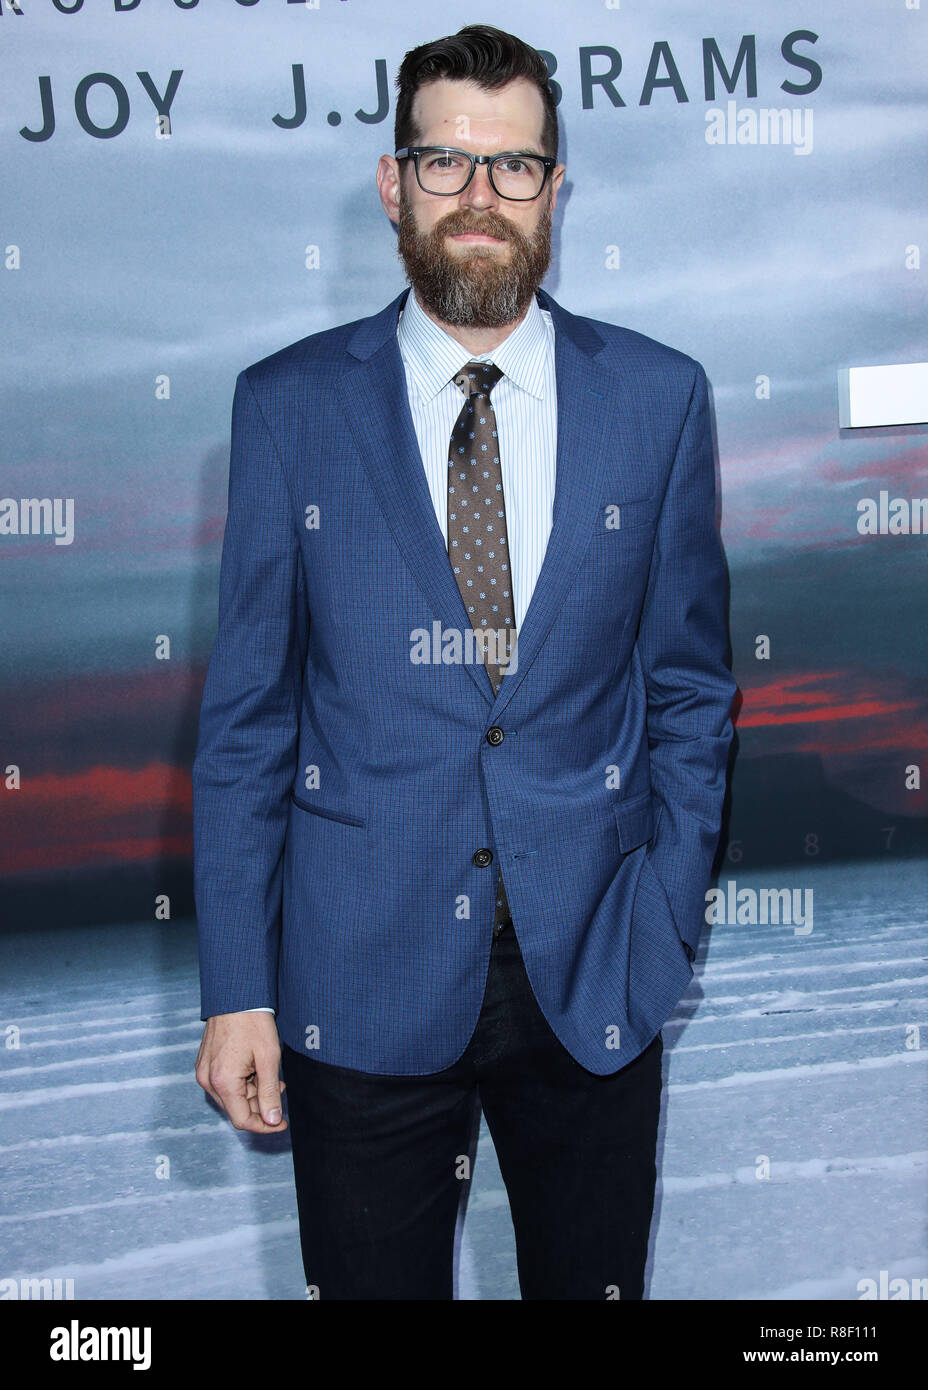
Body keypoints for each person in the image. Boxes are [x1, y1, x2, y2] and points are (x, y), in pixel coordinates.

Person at [193, 23, 737, 1300]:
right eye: (445, 163)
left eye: (514, 167)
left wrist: (662, 924)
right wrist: (236, 989)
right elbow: (248, 724)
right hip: (357, 979)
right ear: (394, 185)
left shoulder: (660, 401)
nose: (479, 198)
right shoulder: (286, 407)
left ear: (557, 191)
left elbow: (691, 690)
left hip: (593, 972)